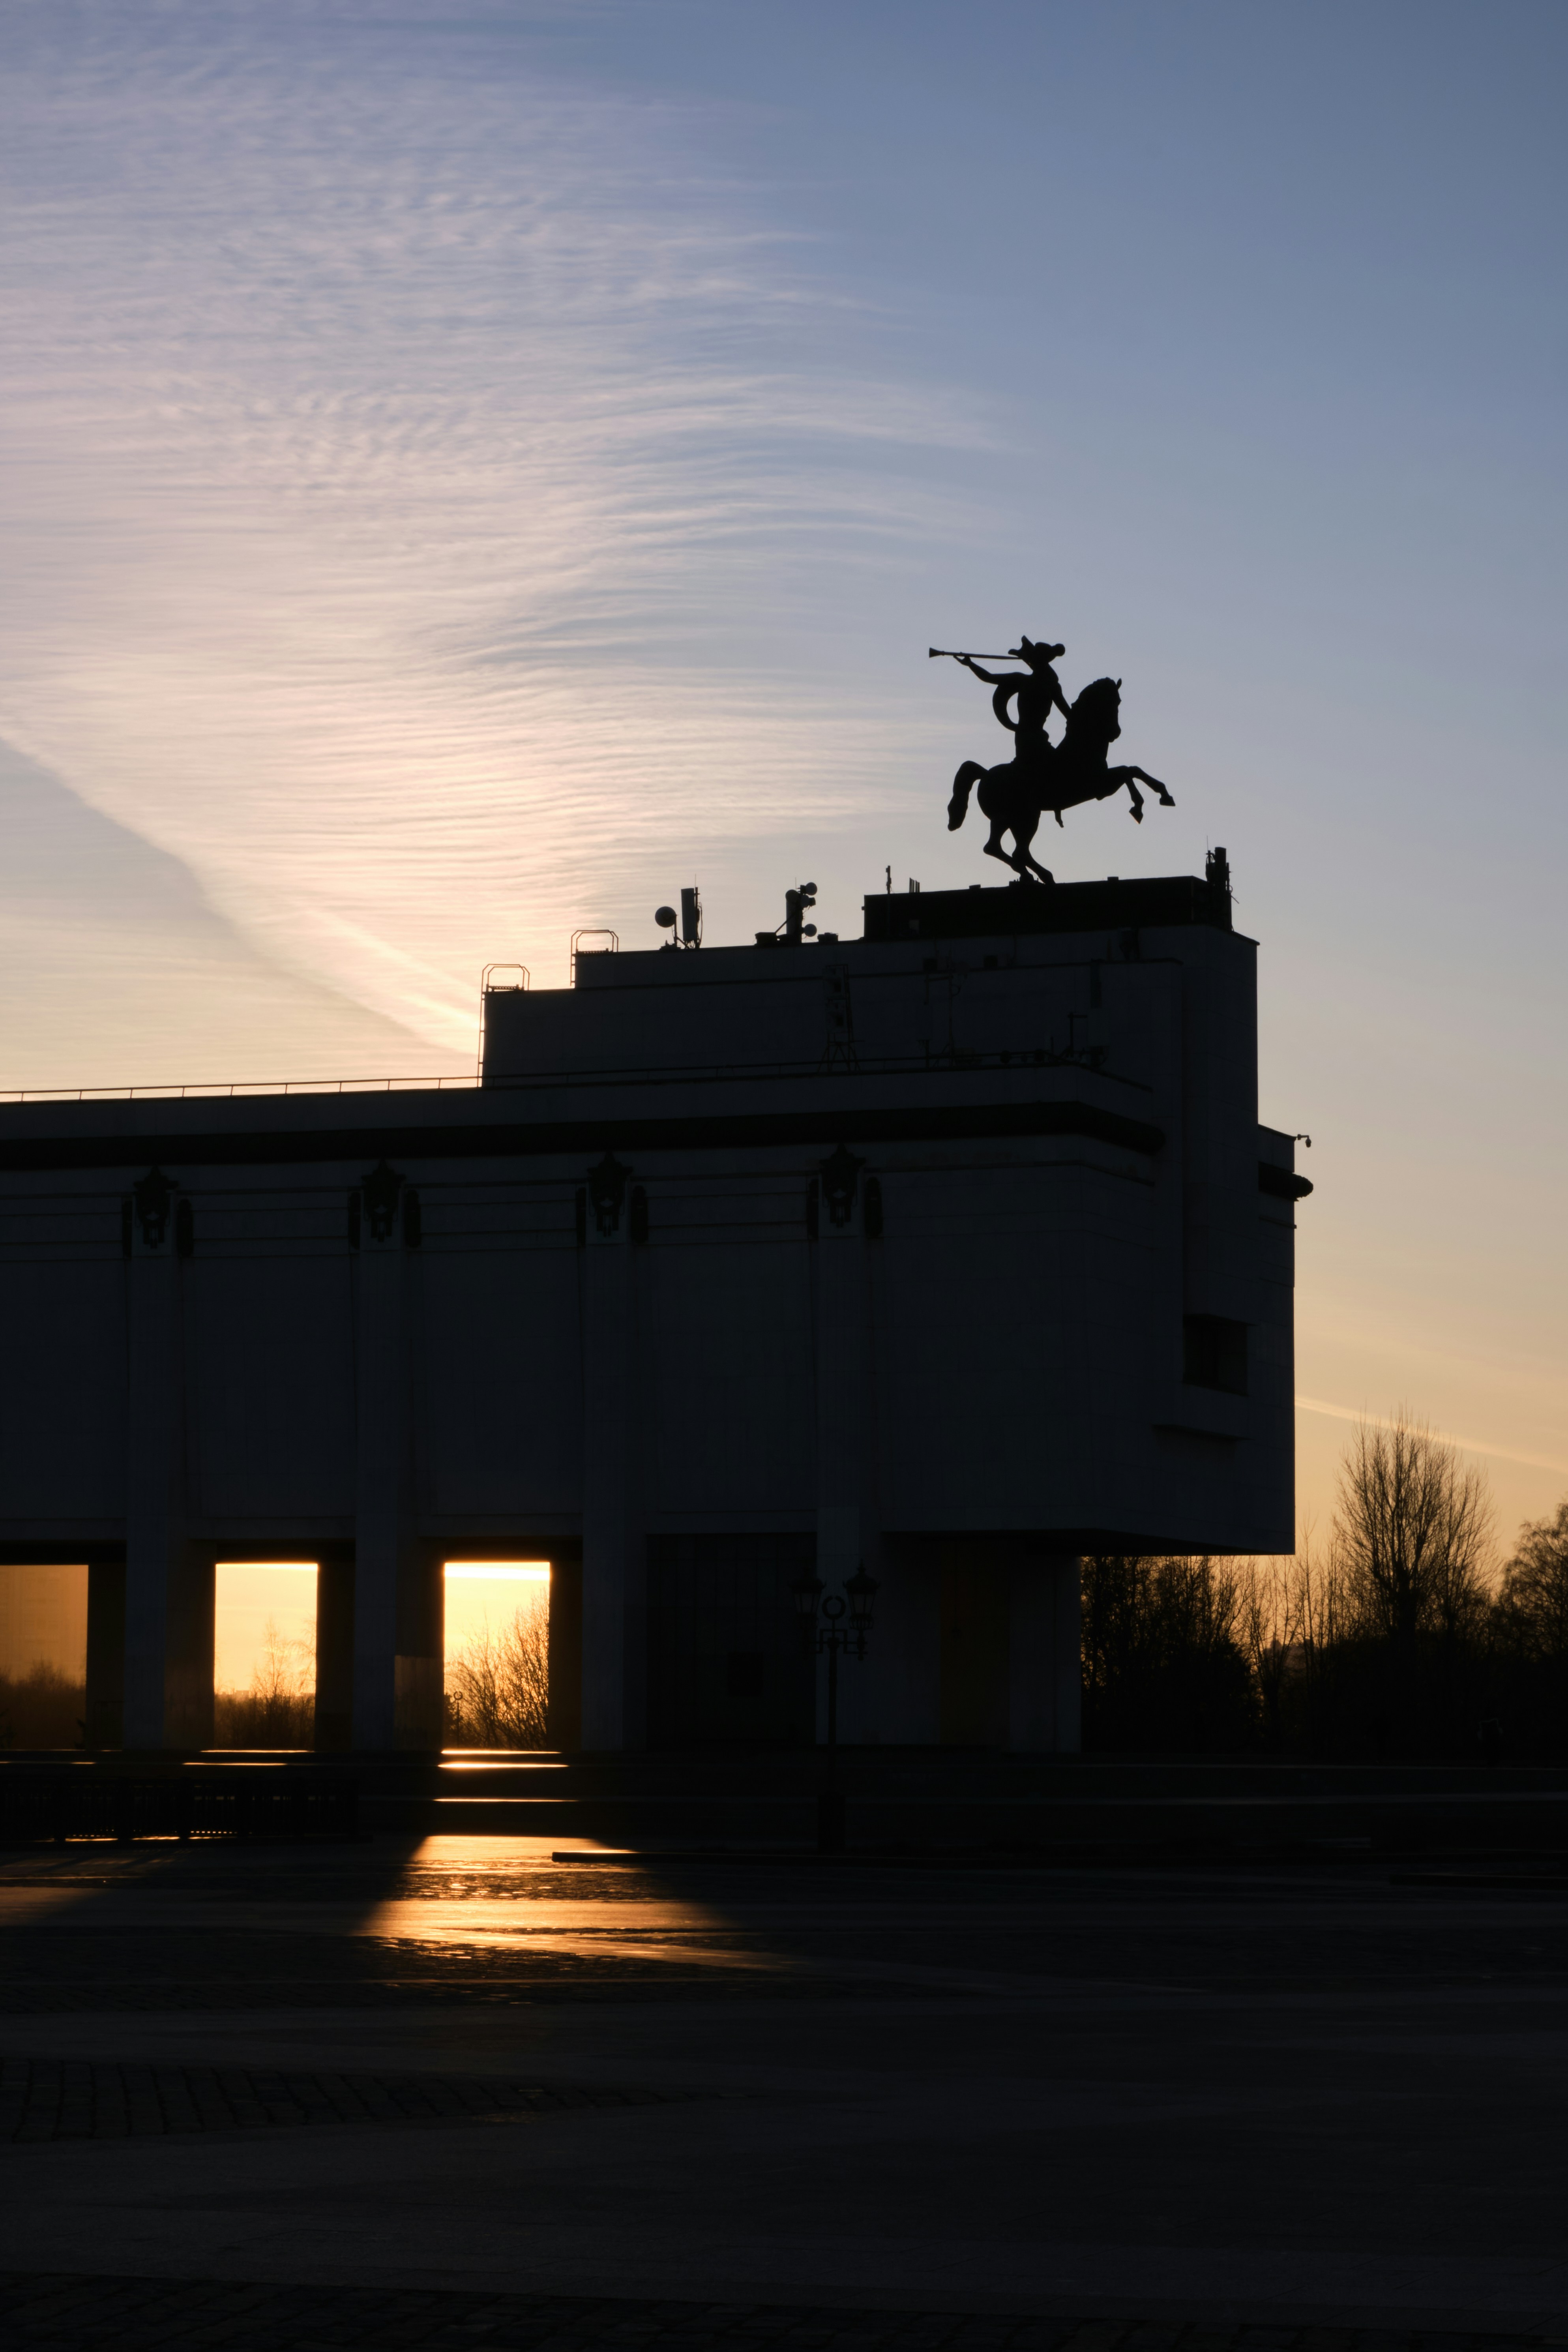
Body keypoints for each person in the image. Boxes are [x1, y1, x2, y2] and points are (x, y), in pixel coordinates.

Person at [955, 637, 1069, 766]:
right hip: (1029, 739)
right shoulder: (1049, 685)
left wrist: (970, 664)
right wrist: (971, 664)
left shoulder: (1026, 681)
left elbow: (988, 677)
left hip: (1032, 737)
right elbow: (1069, 714)